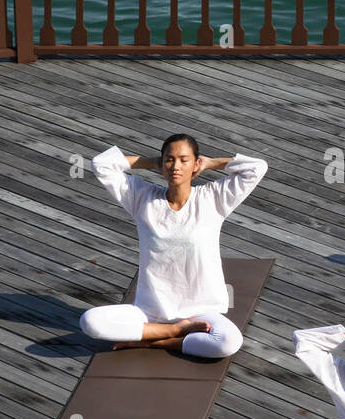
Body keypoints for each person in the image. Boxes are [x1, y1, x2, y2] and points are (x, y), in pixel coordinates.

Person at [79, 134, 267, 358]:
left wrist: (211, 162)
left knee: (228, 343)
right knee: (90, 322)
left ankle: (154, 342)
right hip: (150, 312)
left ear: (195, 164)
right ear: (162, 163)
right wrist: (151, 162)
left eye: (184, 160)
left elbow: (257, 167)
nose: (176, 166)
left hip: (201, 311)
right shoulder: (142, 198)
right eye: (169, 159)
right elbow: (101, 164)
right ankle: (175, 332)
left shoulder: (213, 200)